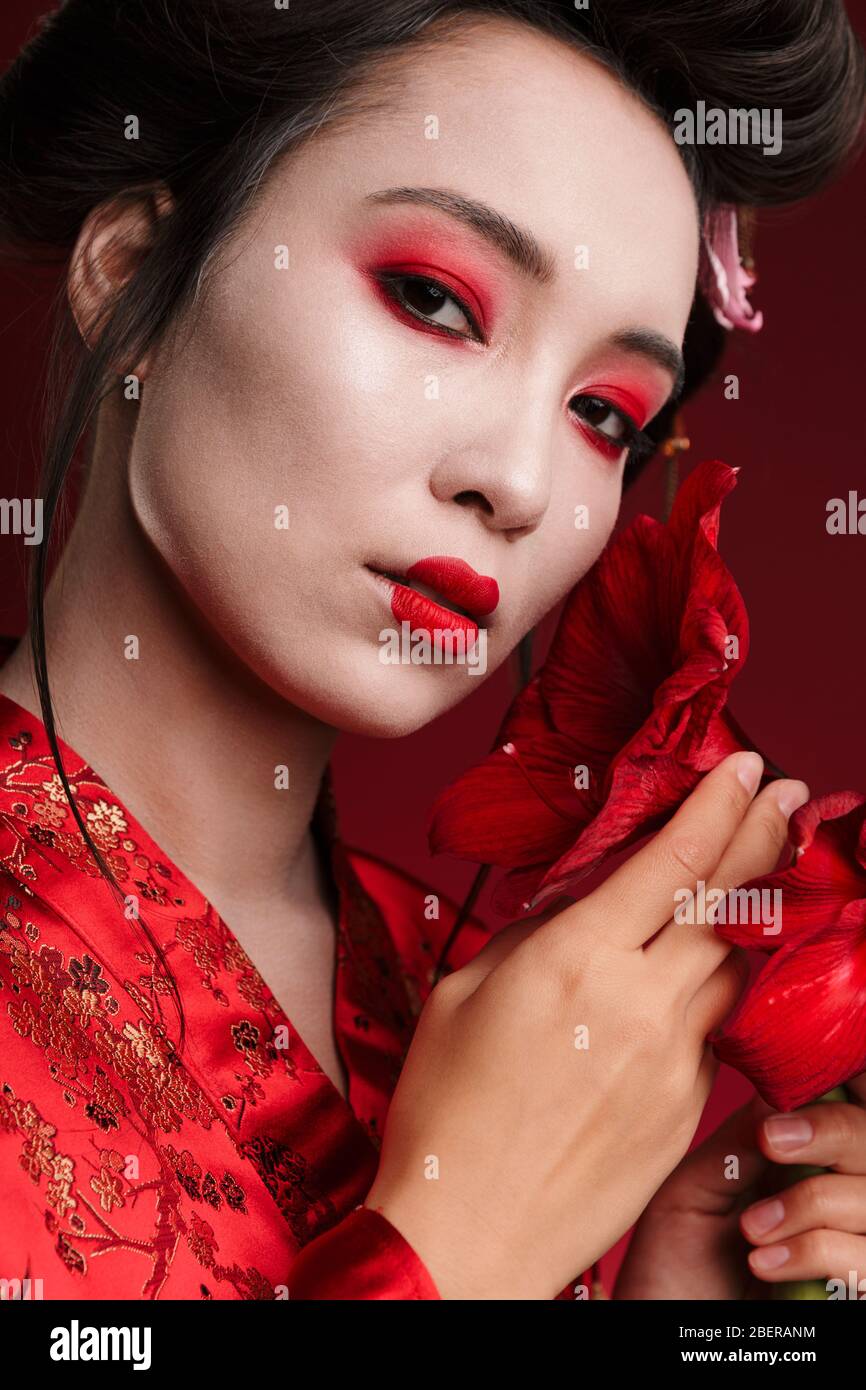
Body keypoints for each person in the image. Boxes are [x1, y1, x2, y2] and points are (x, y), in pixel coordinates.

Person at [0, 0, 863, 1301]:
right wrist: (457, 1254)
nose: (517, 480)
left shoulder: (453, 995)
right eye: (433, 299)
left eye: (602, 412)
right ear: (130, 268)